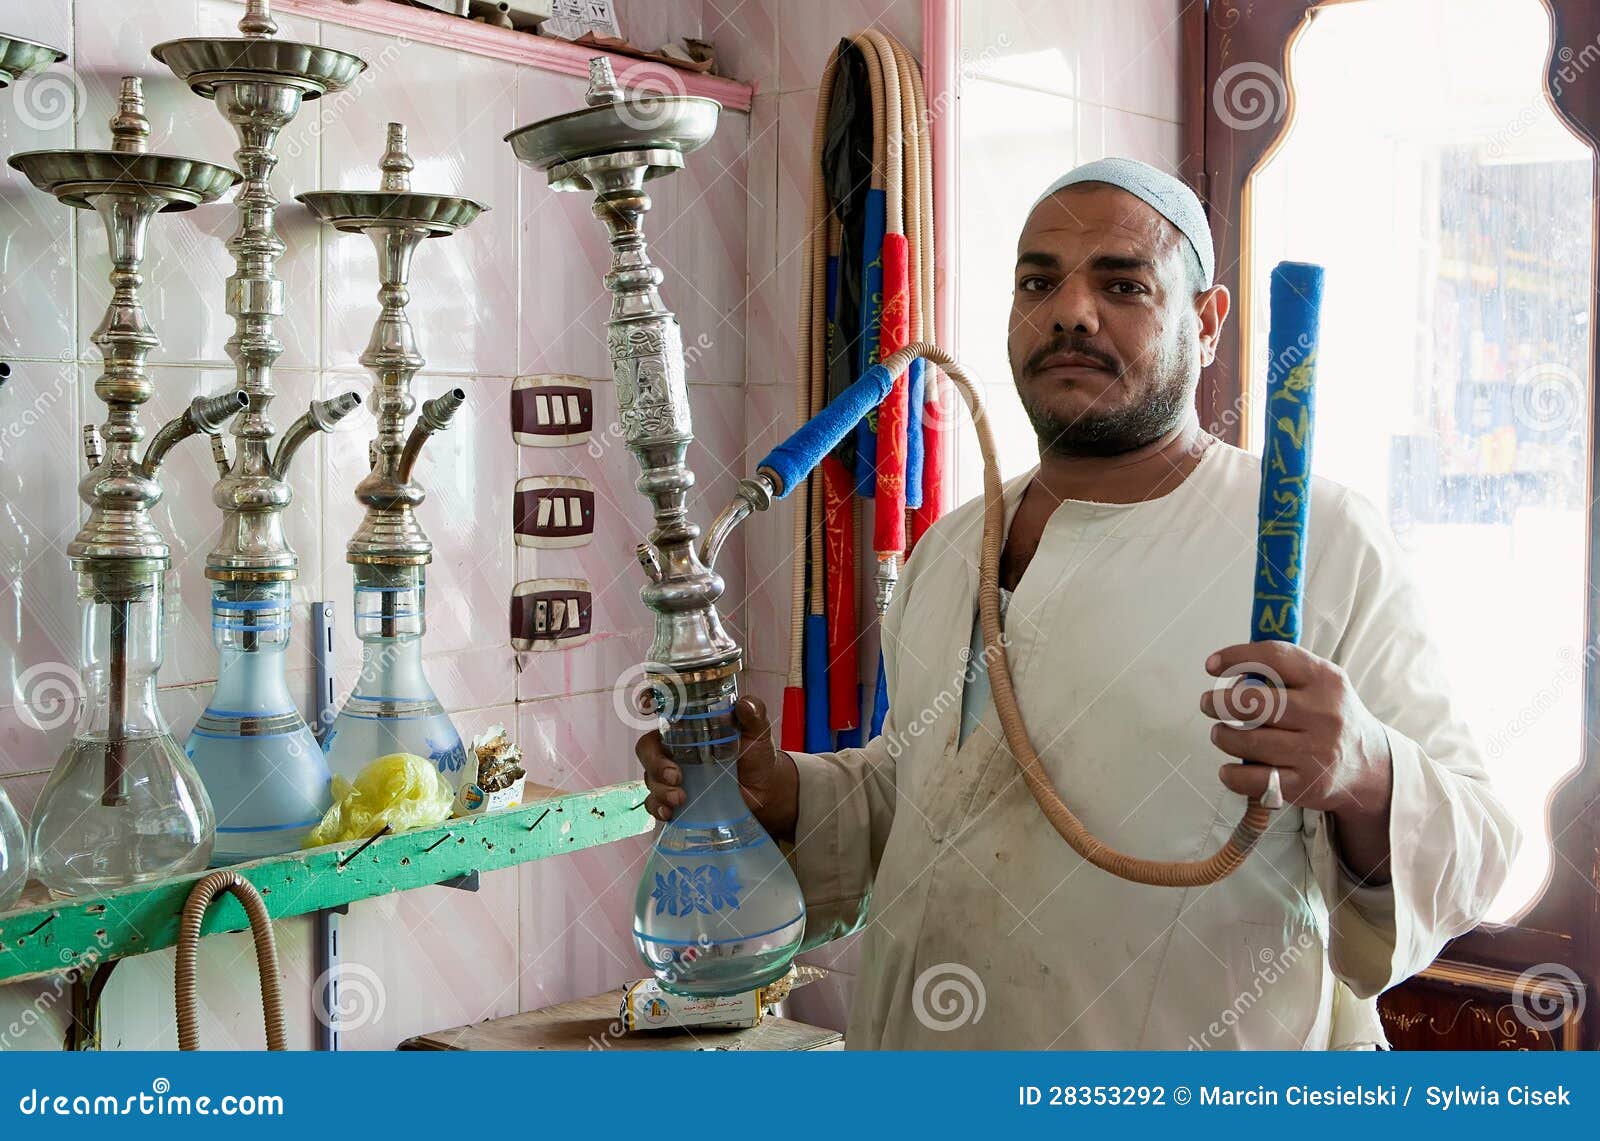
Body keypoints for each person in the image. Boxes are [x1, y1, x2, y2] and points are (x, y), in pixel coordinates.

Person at [637, 157, 1519, 1049]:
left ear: (1208, 323)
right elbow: (926, 805)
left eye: (1122, 283)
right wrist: (782, 792)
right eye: (1038, 280)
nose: (1069, 310)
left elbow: (1478, 846)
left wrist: (1363, 767)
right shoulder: (955, 545)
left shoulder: (1317, 540)